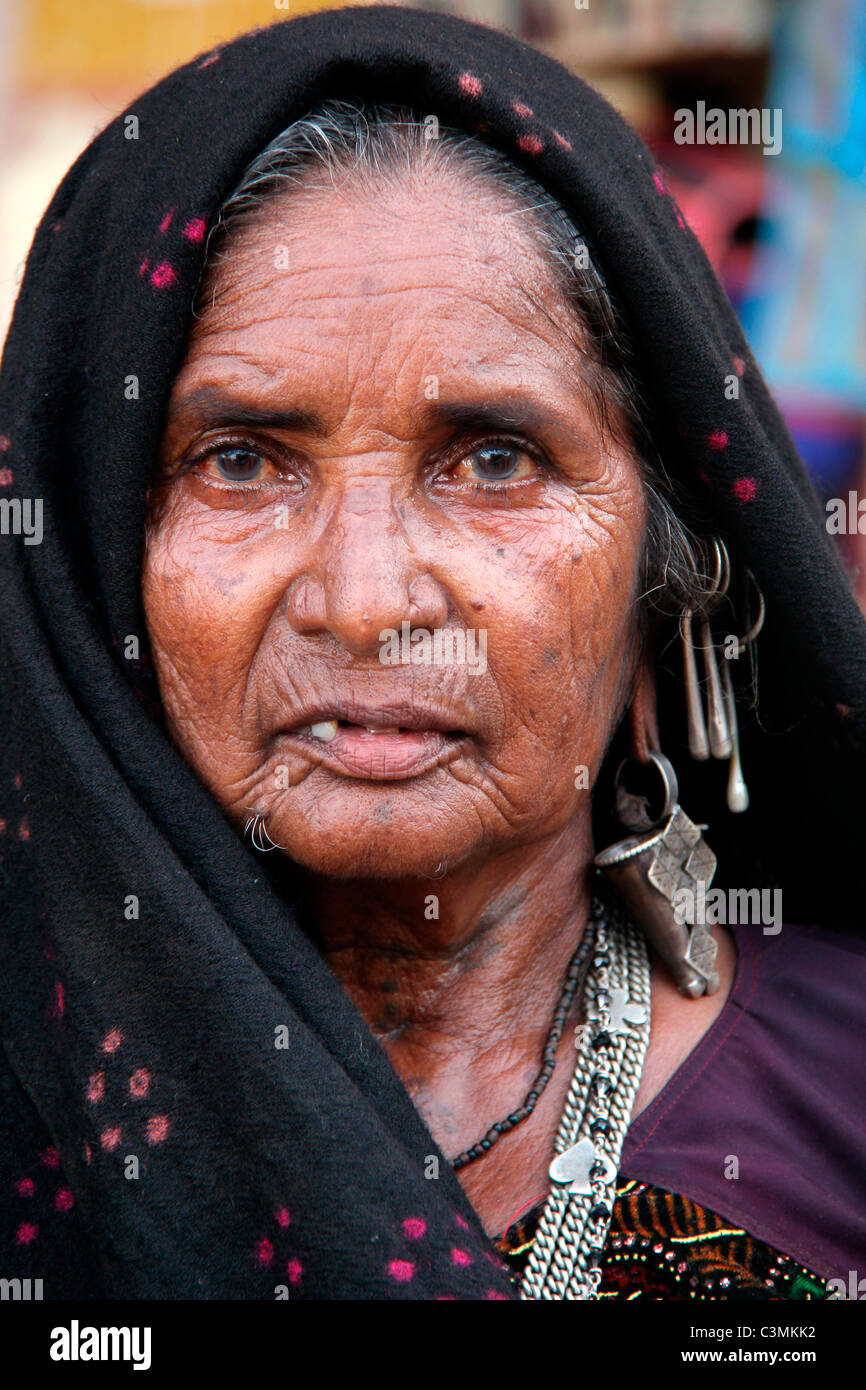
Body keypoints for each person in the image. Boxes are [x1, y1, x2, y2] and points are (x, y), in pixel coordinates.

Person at [1, 5, 864, 1301]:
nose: (364, 601)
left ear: (665, 560)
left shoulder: (840, 1097)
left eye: (494, 460)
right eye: (240, 461)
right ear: (92, 556)